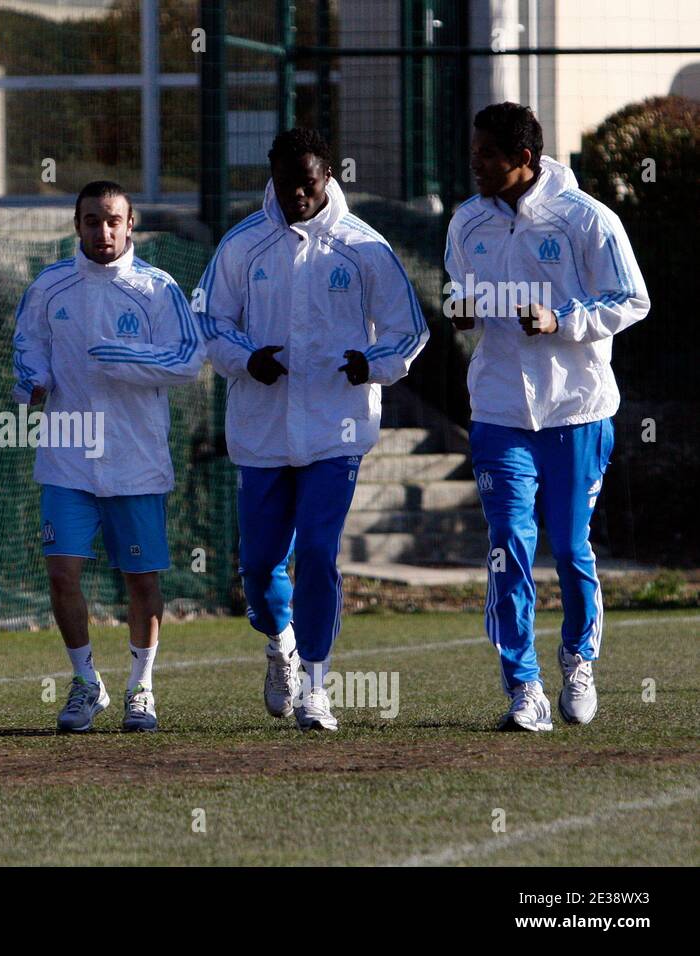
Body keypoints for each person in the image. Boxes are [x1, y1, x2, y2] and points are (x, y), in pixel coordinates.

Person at [197, 128, 428, 731]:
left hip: (336, 430)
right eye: (285, 181)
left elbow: (410, 330)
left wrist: (372, 365)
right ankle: (281, 646)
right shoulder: (242, 245)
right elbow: (210, 323)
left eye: (309, 181)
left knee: (321, 554)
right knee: (259, 565)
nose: (297, 193)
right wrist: (247, 359)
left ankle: (317, 687)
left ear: (329, 176)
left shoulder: (365, 248)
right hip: (261, 431)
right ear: (270, 178)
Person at [445, 102, 649, 731]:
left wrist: (563, 321)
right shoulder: (467, 221)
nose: (474, 164)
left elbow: (632, 300)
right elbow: (459, 290)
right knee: (508, 545)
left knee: (569, 545)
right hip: (501, 412)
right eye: (473, 151)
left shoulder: (588, 219)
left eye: (486, 155)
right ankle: (524, 687)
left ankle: (579, 658)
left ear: (523, 160)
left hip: (578, 410)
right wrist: (462, 308)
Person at [12, 181, 204, 732]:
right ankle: (85, 682)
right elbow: (28, 344)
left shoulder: (157, 289)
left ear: (130, 224)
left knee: (141, 580)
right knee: (62, 572)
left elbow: (188, 360)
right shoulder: (50, 286)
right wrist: (32, 382)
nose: (103, 231)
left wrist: (125, 358)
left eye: (113, 220)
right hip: (68, 453)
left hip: (134, 459)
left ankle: (141, 687)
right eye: (92, 220)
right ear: (77, 226)